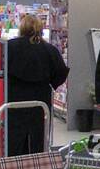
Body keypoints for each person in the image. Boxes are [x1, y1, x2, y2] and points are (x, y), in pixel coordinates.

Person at [5, 14, 68, 155]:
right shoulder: (49, 49)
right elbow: (61, 72)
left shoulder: (9, 46)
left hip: (14, 101)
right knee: (38, 141)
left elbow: (0, 70)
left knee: (14, 141)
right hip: (40, 102)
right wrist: (51, 82)